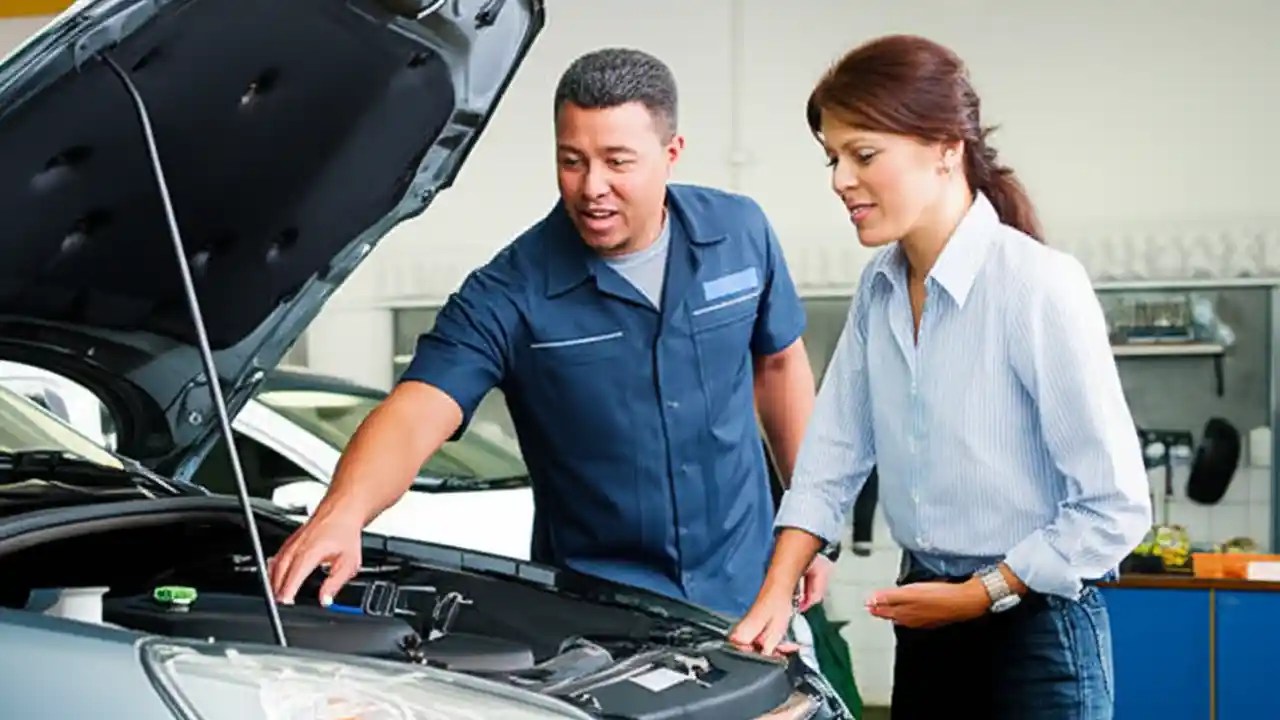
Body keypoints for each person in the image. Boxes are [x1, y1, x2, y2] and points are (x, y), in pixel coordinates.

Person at [267, 47, 834, 627]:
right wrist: (344, 513)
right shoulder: (508, 293)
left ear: (671, 154)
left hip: (753, 594)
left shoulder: (741, 234)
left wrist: (812, 522)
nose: (593, 187)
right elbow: (415, 413)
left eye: (618, 161)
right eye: (572, 160)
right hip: (602, 620)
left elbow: (780, 368)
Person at [728, 34, 1152, 719]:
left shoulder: (1037, 286)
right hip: (926, 622)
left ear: (946, 148)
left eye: (863, 154)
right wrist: (775, 591)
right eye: (832, 158)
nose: (840, 178)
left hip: (1037, 636)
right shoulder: (879, 289)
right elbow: (832, 455)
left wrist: (980, 592)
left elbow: (1116, 507)